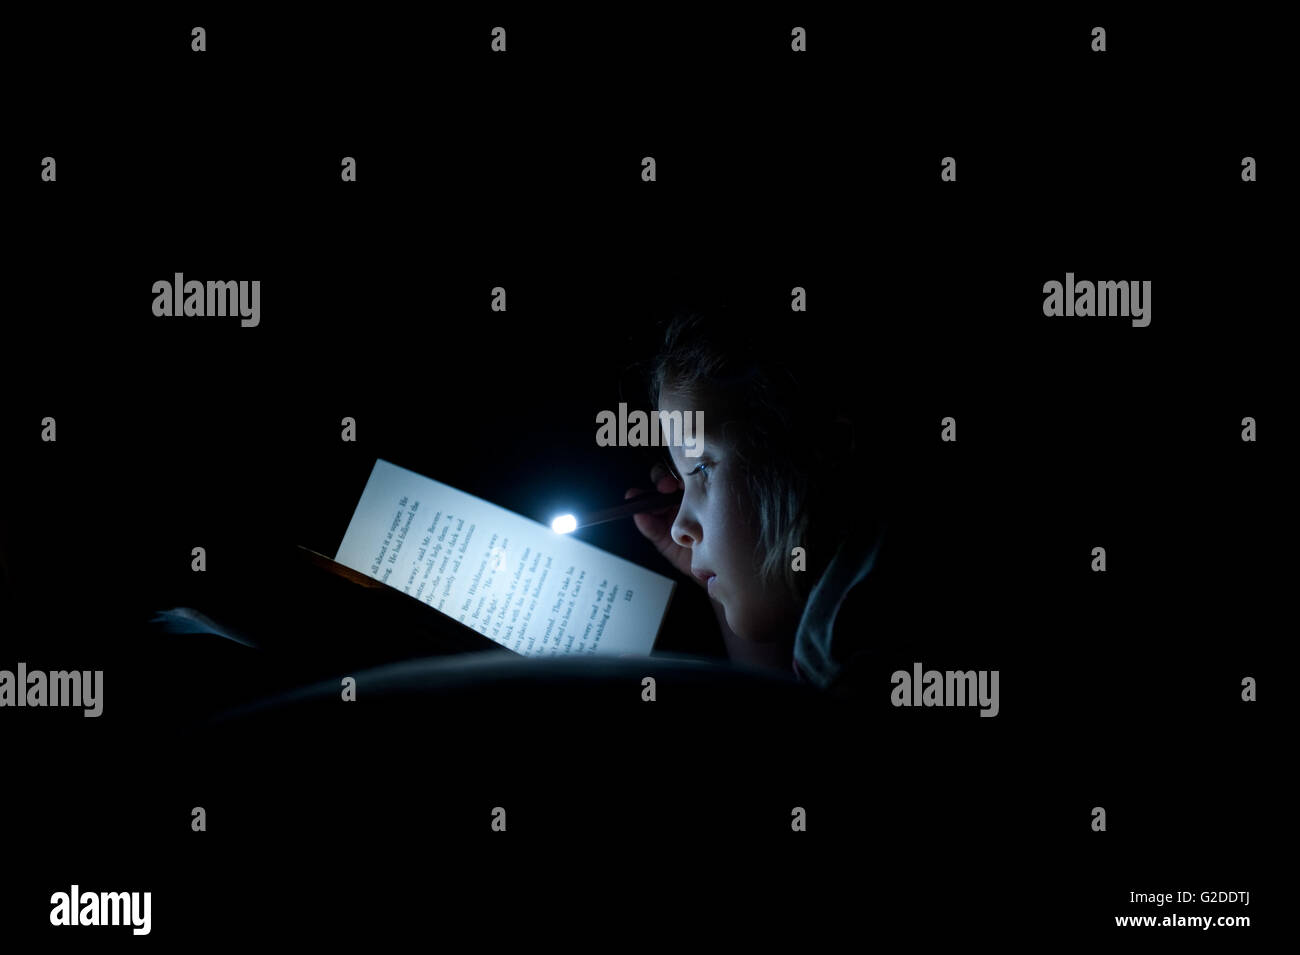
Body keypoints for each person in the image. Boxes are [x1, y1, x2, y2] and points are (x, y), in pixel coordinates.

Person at [623, 306, 891, 695]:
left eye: (700, 470)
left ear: (819, 450)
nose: (680, 528)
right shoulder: (839, 615)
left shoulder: (864, 626)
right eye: (684, 481)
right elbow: (778, 690)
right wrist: (718, 583)